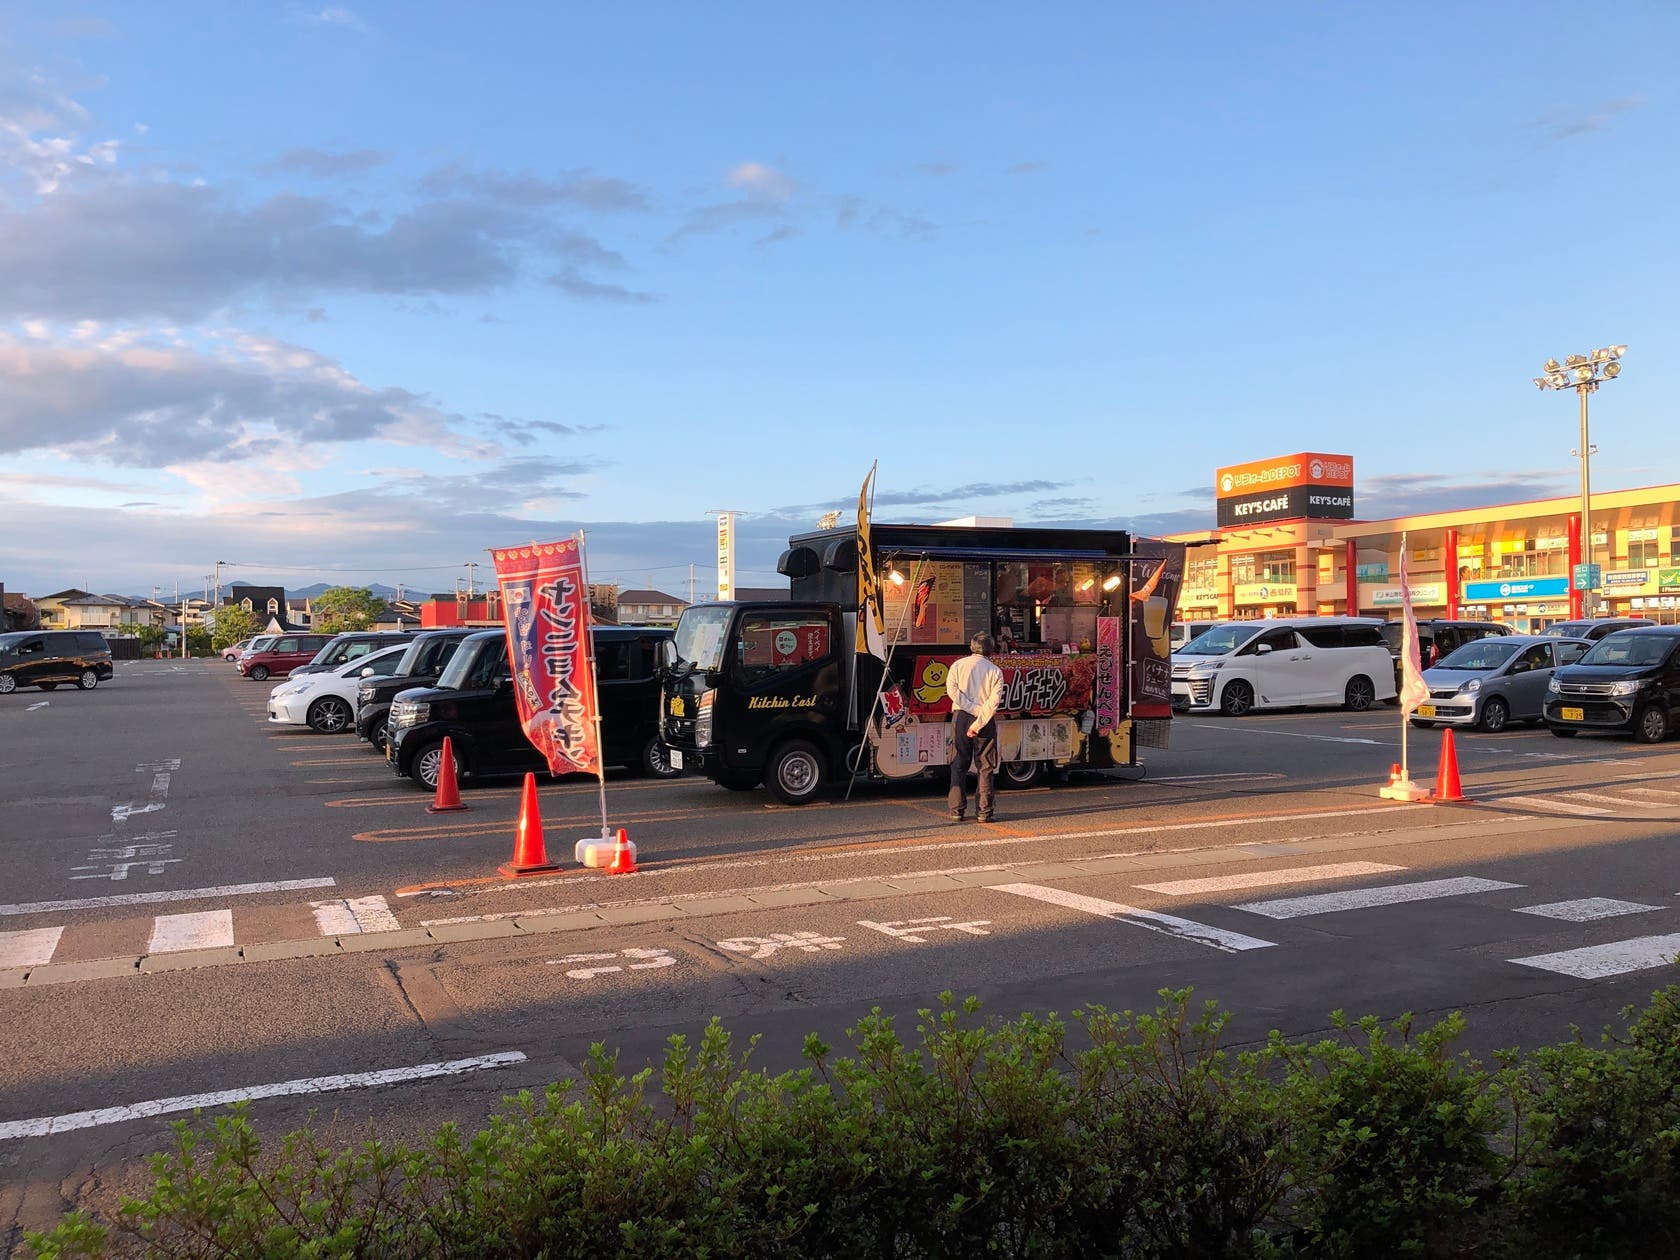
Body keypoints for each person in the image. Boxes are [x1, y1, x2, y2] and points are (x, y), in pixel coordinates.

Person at [946, 632, 1004, 823]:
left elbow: (952, 691)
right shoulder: (995, 671)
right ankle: (984, 812)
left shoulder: (957, 665)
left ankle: (956, 810)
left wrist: (970, 709)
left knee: (958, 764)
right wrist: (979, 719)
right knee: (985, 766)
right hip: (985, 720)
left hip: (961, 717)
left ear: (971, 647)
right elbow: (993, 703)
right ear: (991, 650)